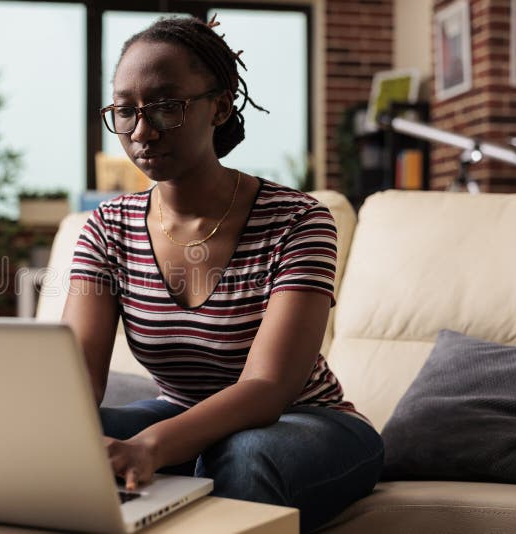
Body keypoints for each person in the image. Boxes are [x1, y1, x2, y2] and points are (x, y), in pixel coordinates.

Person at [62, 15, 384, 533]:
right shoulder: (107, 227)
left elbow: (268, 387)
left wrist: (151, 446)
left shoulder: (298, 220)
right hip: (177, 415)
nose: (142, 131)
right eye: (125, 111)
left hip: (306, 422)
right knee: (59, 438)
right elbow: (74, 377)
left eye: (167, 105)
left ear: (219, 105)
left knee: (244, 455)